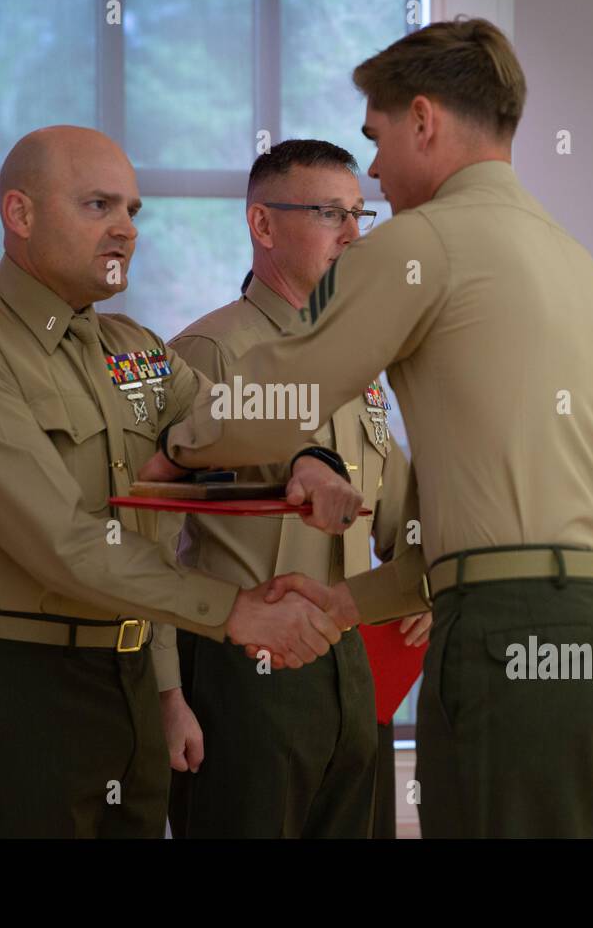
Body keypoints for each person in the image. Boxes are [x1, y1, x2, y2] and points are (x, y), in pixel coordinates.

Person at [141, 19, 593, 838]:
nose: (377, 175)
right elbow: (463, 511)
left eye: (377, 138)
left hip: (517, 640)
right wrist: (348, 602)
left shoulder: (422, 242)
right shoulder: (572, 258)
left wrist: (174, 449)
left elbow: (286, 390)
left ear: (423, 120)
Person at [0, 125, 350, 838]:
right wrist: (232, 610)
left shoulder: (131, 347)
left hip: (128, 678)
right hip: (14, 681)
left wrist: (308, 460)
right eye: (98, 205)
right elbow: (63, 542)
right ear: (19, 214)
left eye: (132, 210)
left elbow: (227, 415)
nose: (125, 230)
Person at [157, 139, 431, 838]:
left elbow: (401, 512)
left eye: (359, 214)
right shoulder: (210, 352)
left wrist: (428, 580)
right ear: (263, 225)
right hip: (242, 664)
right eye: (329, 214)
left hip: (349, 660)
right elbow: (150, 536)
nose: (352, 235)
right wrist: (165, 692)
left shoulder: (354, 359)